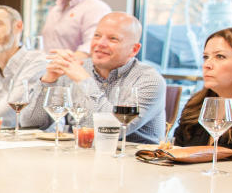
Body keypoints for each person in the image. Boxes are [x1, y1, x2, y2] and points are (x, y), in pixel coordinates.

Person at [23, 12, 166, 143]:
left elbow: (112, 130)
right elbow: (31, 124)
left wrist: (84, 82)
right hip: (79, 158)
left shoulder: (149, 80)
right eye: (97, 36)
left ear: (133, 49)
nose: (100, 44)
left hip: (134, 163)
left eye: (113, 39)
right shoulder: (76, 68)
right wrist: (48, 80)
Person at [173, 26, 232, 150]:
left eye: (220, 56)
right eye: (206, 57)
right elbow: (176, 152)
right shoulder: (196, 105)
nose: (207, 65)